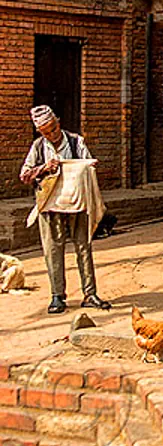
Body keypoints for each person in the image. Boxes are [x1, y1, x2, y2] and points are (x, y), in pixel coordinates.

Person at [19, 105, 111, 314]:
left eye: (53, 128)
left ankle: (90, 293)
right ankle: (57, 296)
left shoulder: (75, 141)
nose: (51, 134)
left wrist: (87, 166)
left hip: (77, 203)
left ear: (58, 121)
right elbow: (24, 175)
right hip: (50, 206)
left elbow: (88, 165)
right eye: (45, 132)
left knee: (83, 246)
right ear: (40, 133)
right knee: (53, 249)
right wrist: (43, 168)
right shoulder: (38, 147)